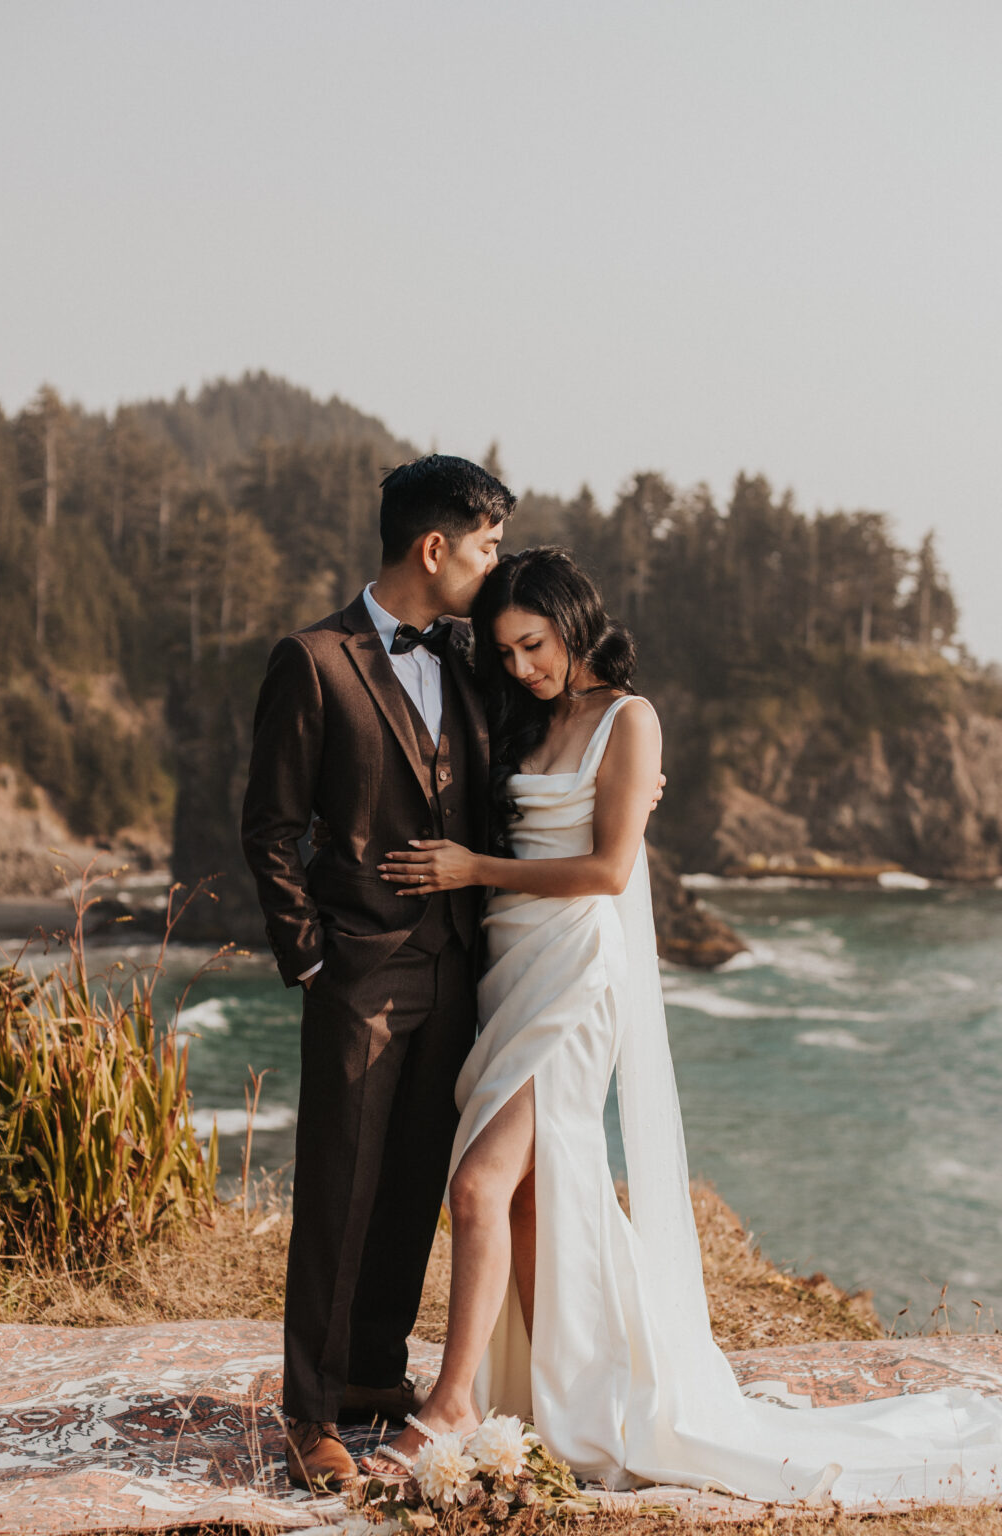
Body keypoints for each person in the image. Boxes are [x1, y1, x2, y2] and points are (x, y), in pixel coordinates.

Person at [366, 547, 1002, 1506]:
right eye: (505, 652)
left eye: (534, 645)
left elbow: (607, 871)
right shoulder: (522, 715)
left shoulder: (633, 720)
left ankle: (454, 1405)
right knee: (536, 1199)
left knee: (478, 1183)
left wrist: (470, 870)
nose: (522, 667)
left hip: (578, 973)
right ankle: (559, 1396)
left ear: (574, 624)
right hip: (509, 969)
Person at [240, 454, 515, 1489]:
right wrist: (311, 958)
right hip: (356, 970)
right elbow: (270, 825)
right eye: (484, 547)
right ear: (433, 548)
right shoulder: (310, 660)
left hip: (456, 968)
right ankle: (307, 1409)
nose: (493, 568)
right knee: (338, 1194)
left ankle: (371, 1378)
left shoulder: (471, 659)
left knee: (411, 1188)